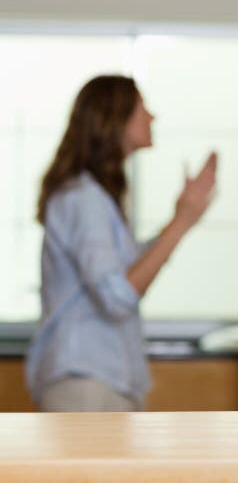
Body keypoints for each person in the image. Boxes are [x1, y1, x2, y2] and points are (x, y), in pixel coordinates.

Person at [26, 75, 217, 412]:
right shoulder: (84, 198)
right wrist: (181, 221)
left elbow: (120, 272)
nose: (152, 117)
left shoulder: (97, 195)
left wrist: (180, 219)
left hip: (98, 378)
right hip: (85, 381)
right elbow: (117, 295)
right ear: (113, 119)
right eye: (142, 109)